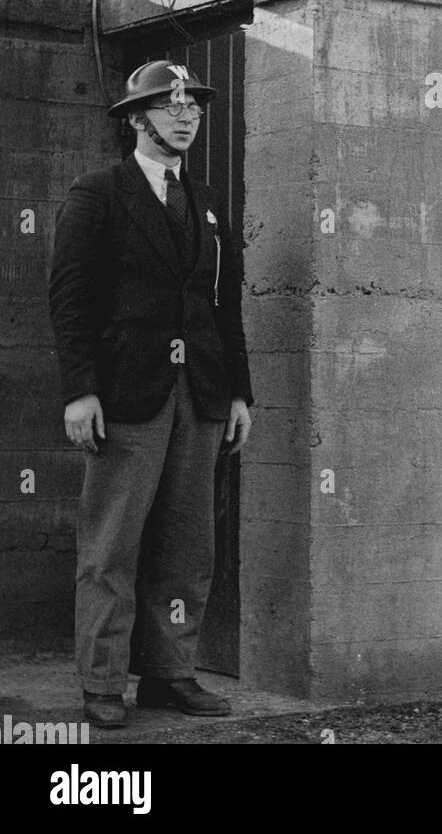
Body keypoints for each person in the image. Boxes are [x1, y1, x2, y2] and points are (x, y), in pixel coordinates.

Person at [49, 61, 253, 729]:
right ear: (137, 119)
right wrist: (81, 392)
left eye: (192, 106)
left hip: (200, 397)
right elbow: (71, 302)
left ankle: (170, 674)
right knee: (112, 546)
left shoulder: (211, 202)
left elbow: (222, 306)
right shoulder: (98, 193)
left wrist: (240, 394)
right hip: (126, 395)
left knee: (188, 546)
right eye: (170, 106)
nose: (186, 115)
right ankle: (102, 683)